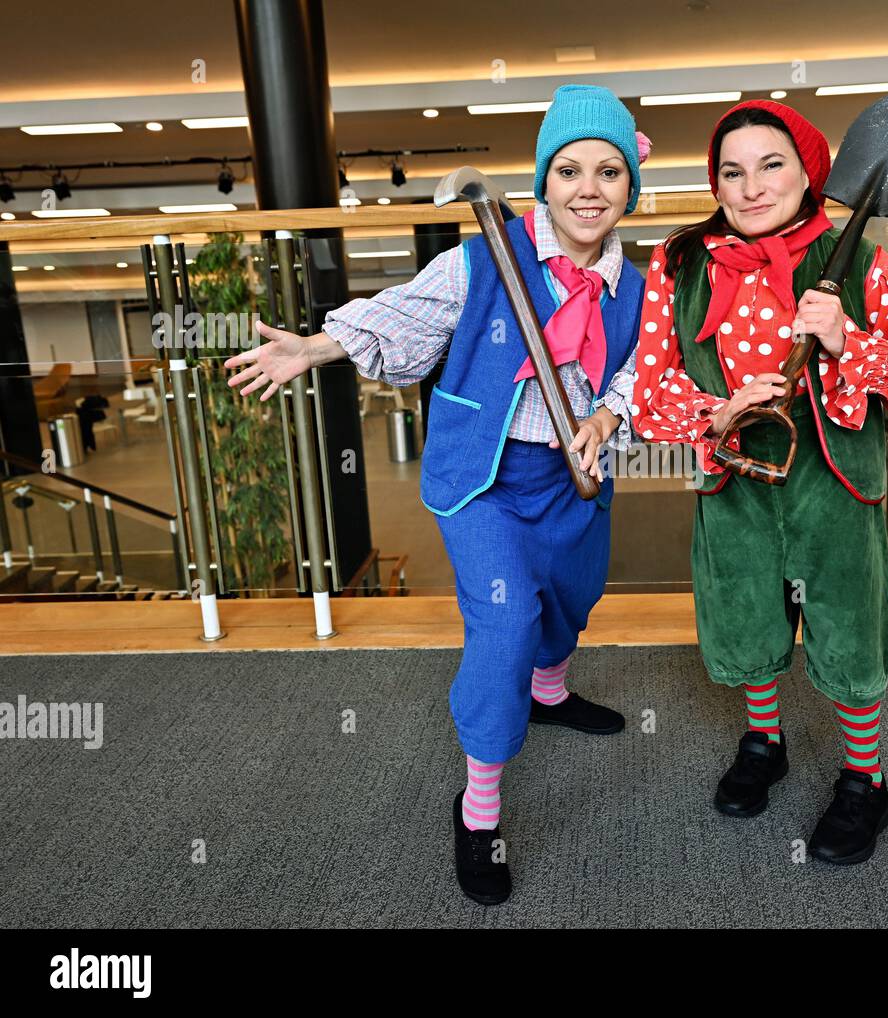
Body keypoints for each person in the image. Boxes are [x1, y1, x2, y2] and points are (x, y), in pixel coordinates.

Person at [224, 84, 650, 904]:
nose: (587, 188)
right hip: (485, 480)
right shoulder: (484, 257)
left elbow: (641, 368)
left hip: (577, 478)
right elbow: (403, 314)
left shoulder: (640, 286)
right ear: (542, 182)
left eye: (607, 171)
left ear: (630, 185)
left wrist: (606, 413)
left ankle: (550, 690)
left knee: (571, 594)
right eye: (568, 171)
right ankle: (480, 810)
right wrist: (314, 348)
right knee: (505, 624)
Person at [631, 99, 888, 865]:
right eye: (732, 171)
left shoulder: (867, 268)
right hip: (737, 482)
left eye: (772, 164)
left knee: (849, 634)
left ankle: (864, 781)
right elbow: (650, 393)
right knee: (748, 620)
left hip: (833, 487)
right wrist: (717, 413)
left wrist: (847, 337)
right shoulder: (681, 265)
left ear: (811, 171)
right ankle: (764, 744)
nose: (751, 187)